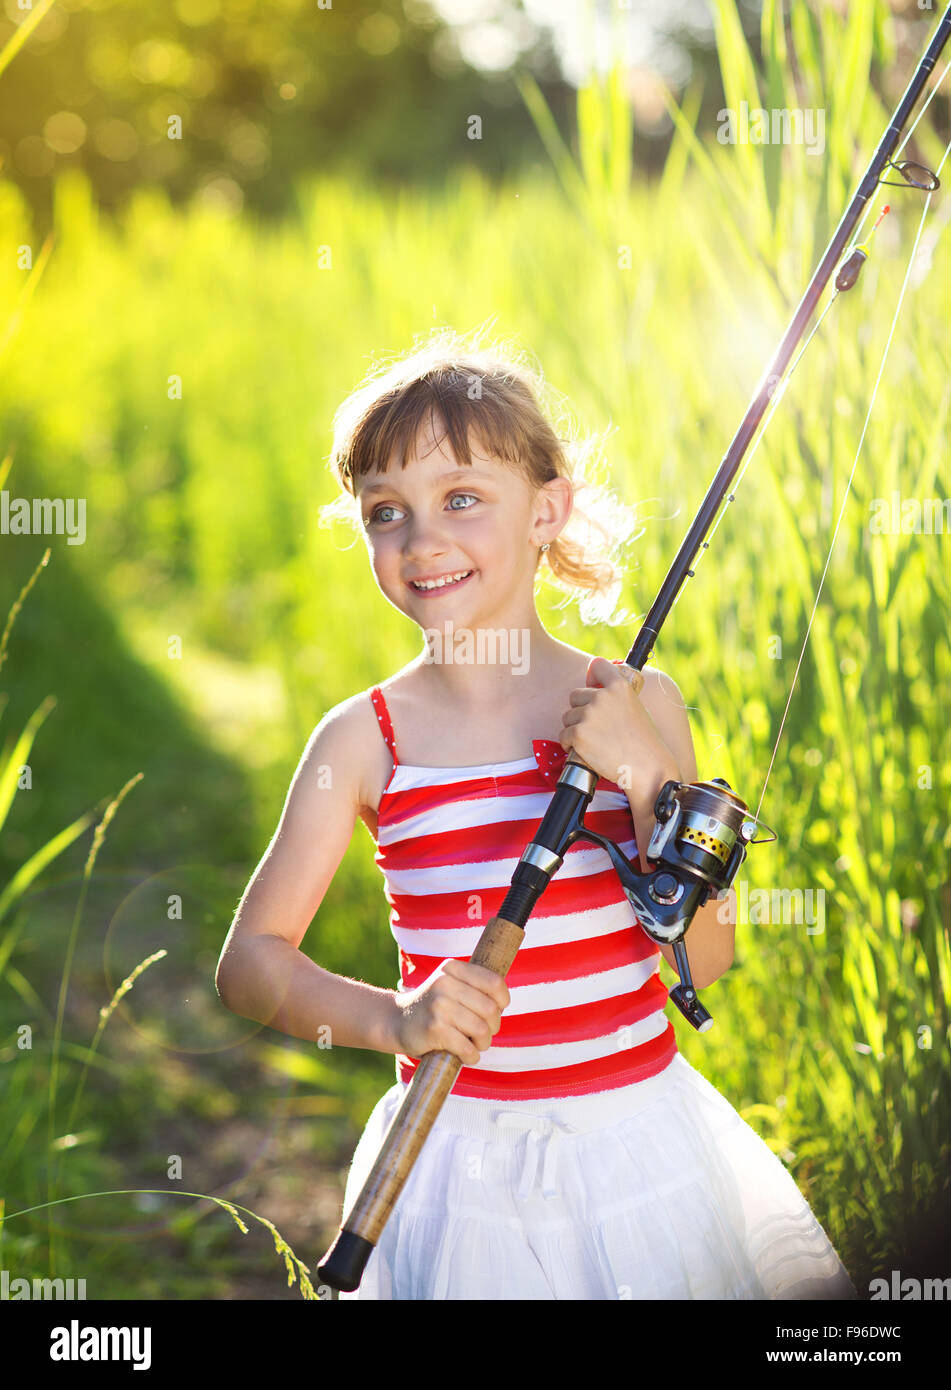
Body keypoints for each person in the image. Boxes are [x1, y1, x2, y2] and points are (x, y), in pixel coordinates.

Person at [215, 329, 858, 1301]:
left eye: (461, 498)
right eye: (387, 511)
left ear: (546, 511)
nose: (422, 538)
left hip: (634, 1145)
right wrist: (394, 1018)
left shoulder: (641, 705)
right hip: (447, 1165)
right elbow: (251, 963)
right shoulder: (364, 740)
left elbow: (707, 958)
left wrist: (645, 776)